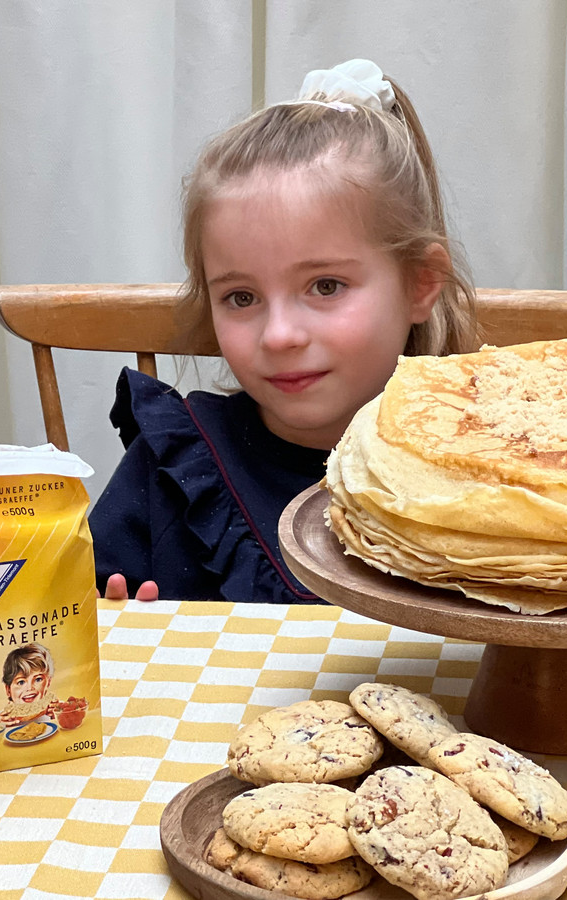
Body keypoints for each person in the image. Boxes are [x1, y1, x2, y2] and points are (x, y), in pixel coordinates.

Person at [93, 59, 480, 604]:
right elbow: (71, 631)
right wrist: (108, 630)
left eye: (325, 286)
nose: (279, 336)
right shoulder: (174, 466)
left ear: (420, 283)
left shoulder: (490, 468)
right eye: (241, 298)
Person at [0, 642, 56, 725]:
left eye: (38, 679)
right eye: (21, 682)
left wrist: (59, 718)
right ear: (8, 690)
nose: (29, 688)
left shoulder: (59, 710)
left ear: (48, 682)